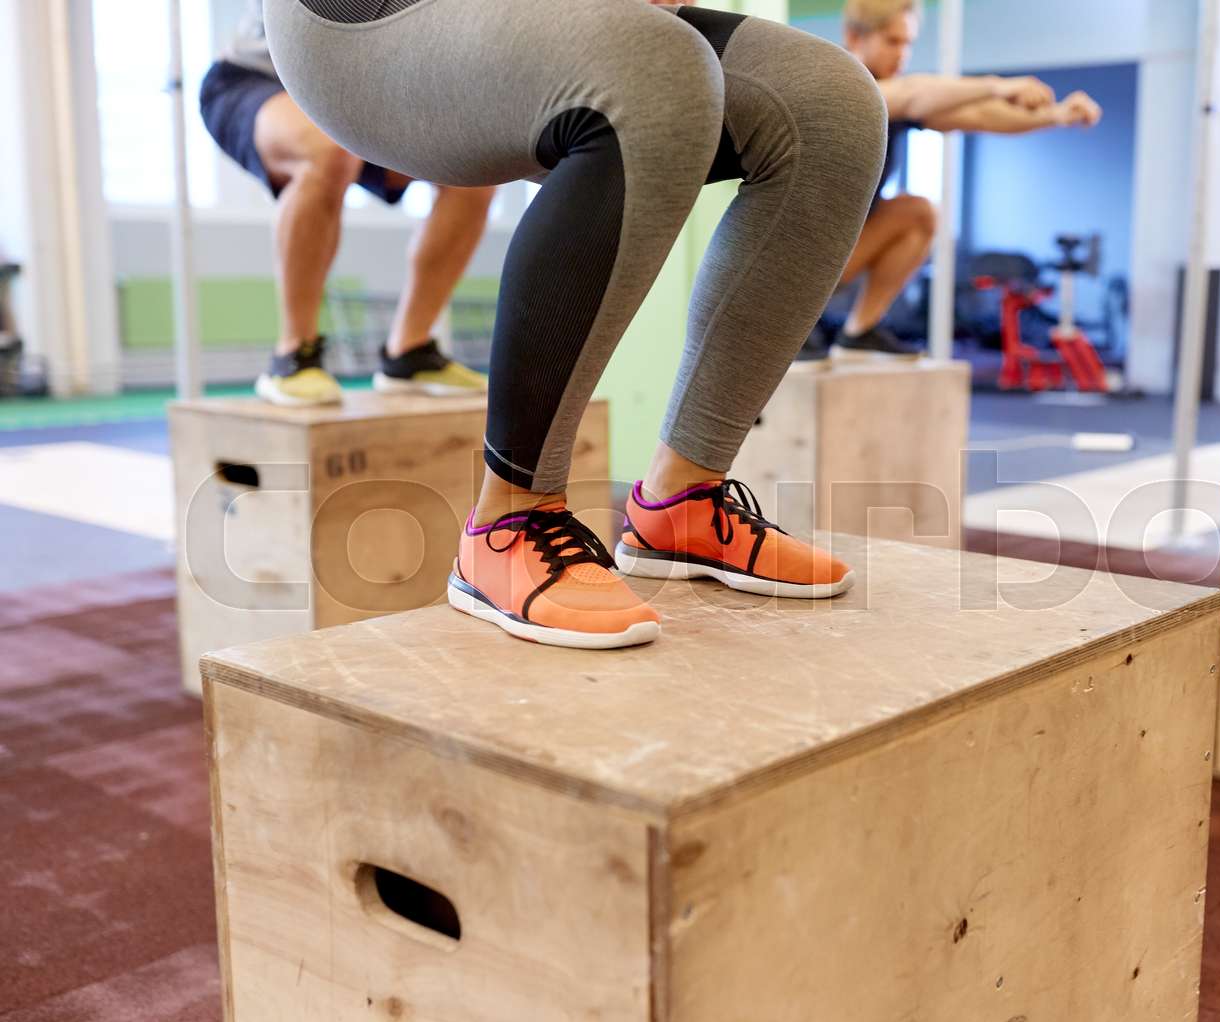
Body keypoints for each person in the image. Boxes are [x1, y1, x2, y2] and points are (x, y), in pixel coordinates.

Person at [262, 0, 887, 649]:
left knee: (833, 105)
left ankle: (680, 502)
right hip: (361, 20)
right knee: (648, 66)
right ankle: (506, 526)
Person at [200, 1, 494, 406]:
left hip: (358, 92)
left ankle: (408, 352)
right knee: (328, 154)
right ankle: (292, 354)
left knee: (476, 171)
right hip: (258, 78)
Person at [816, 0, 1102, 363]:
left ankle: (858, 334)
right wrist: (996, 85)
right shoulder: (838, 83)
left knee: (918, 213)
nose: (901, 54)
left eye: (908, 43)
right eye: (892, 41)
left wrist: (1057, 115)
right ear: (853, 36)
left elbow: (980, 115)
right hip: (792, 262)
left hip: (837, 255)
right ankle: (800, 325)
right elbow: (912, 93)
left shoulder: (895, 97)